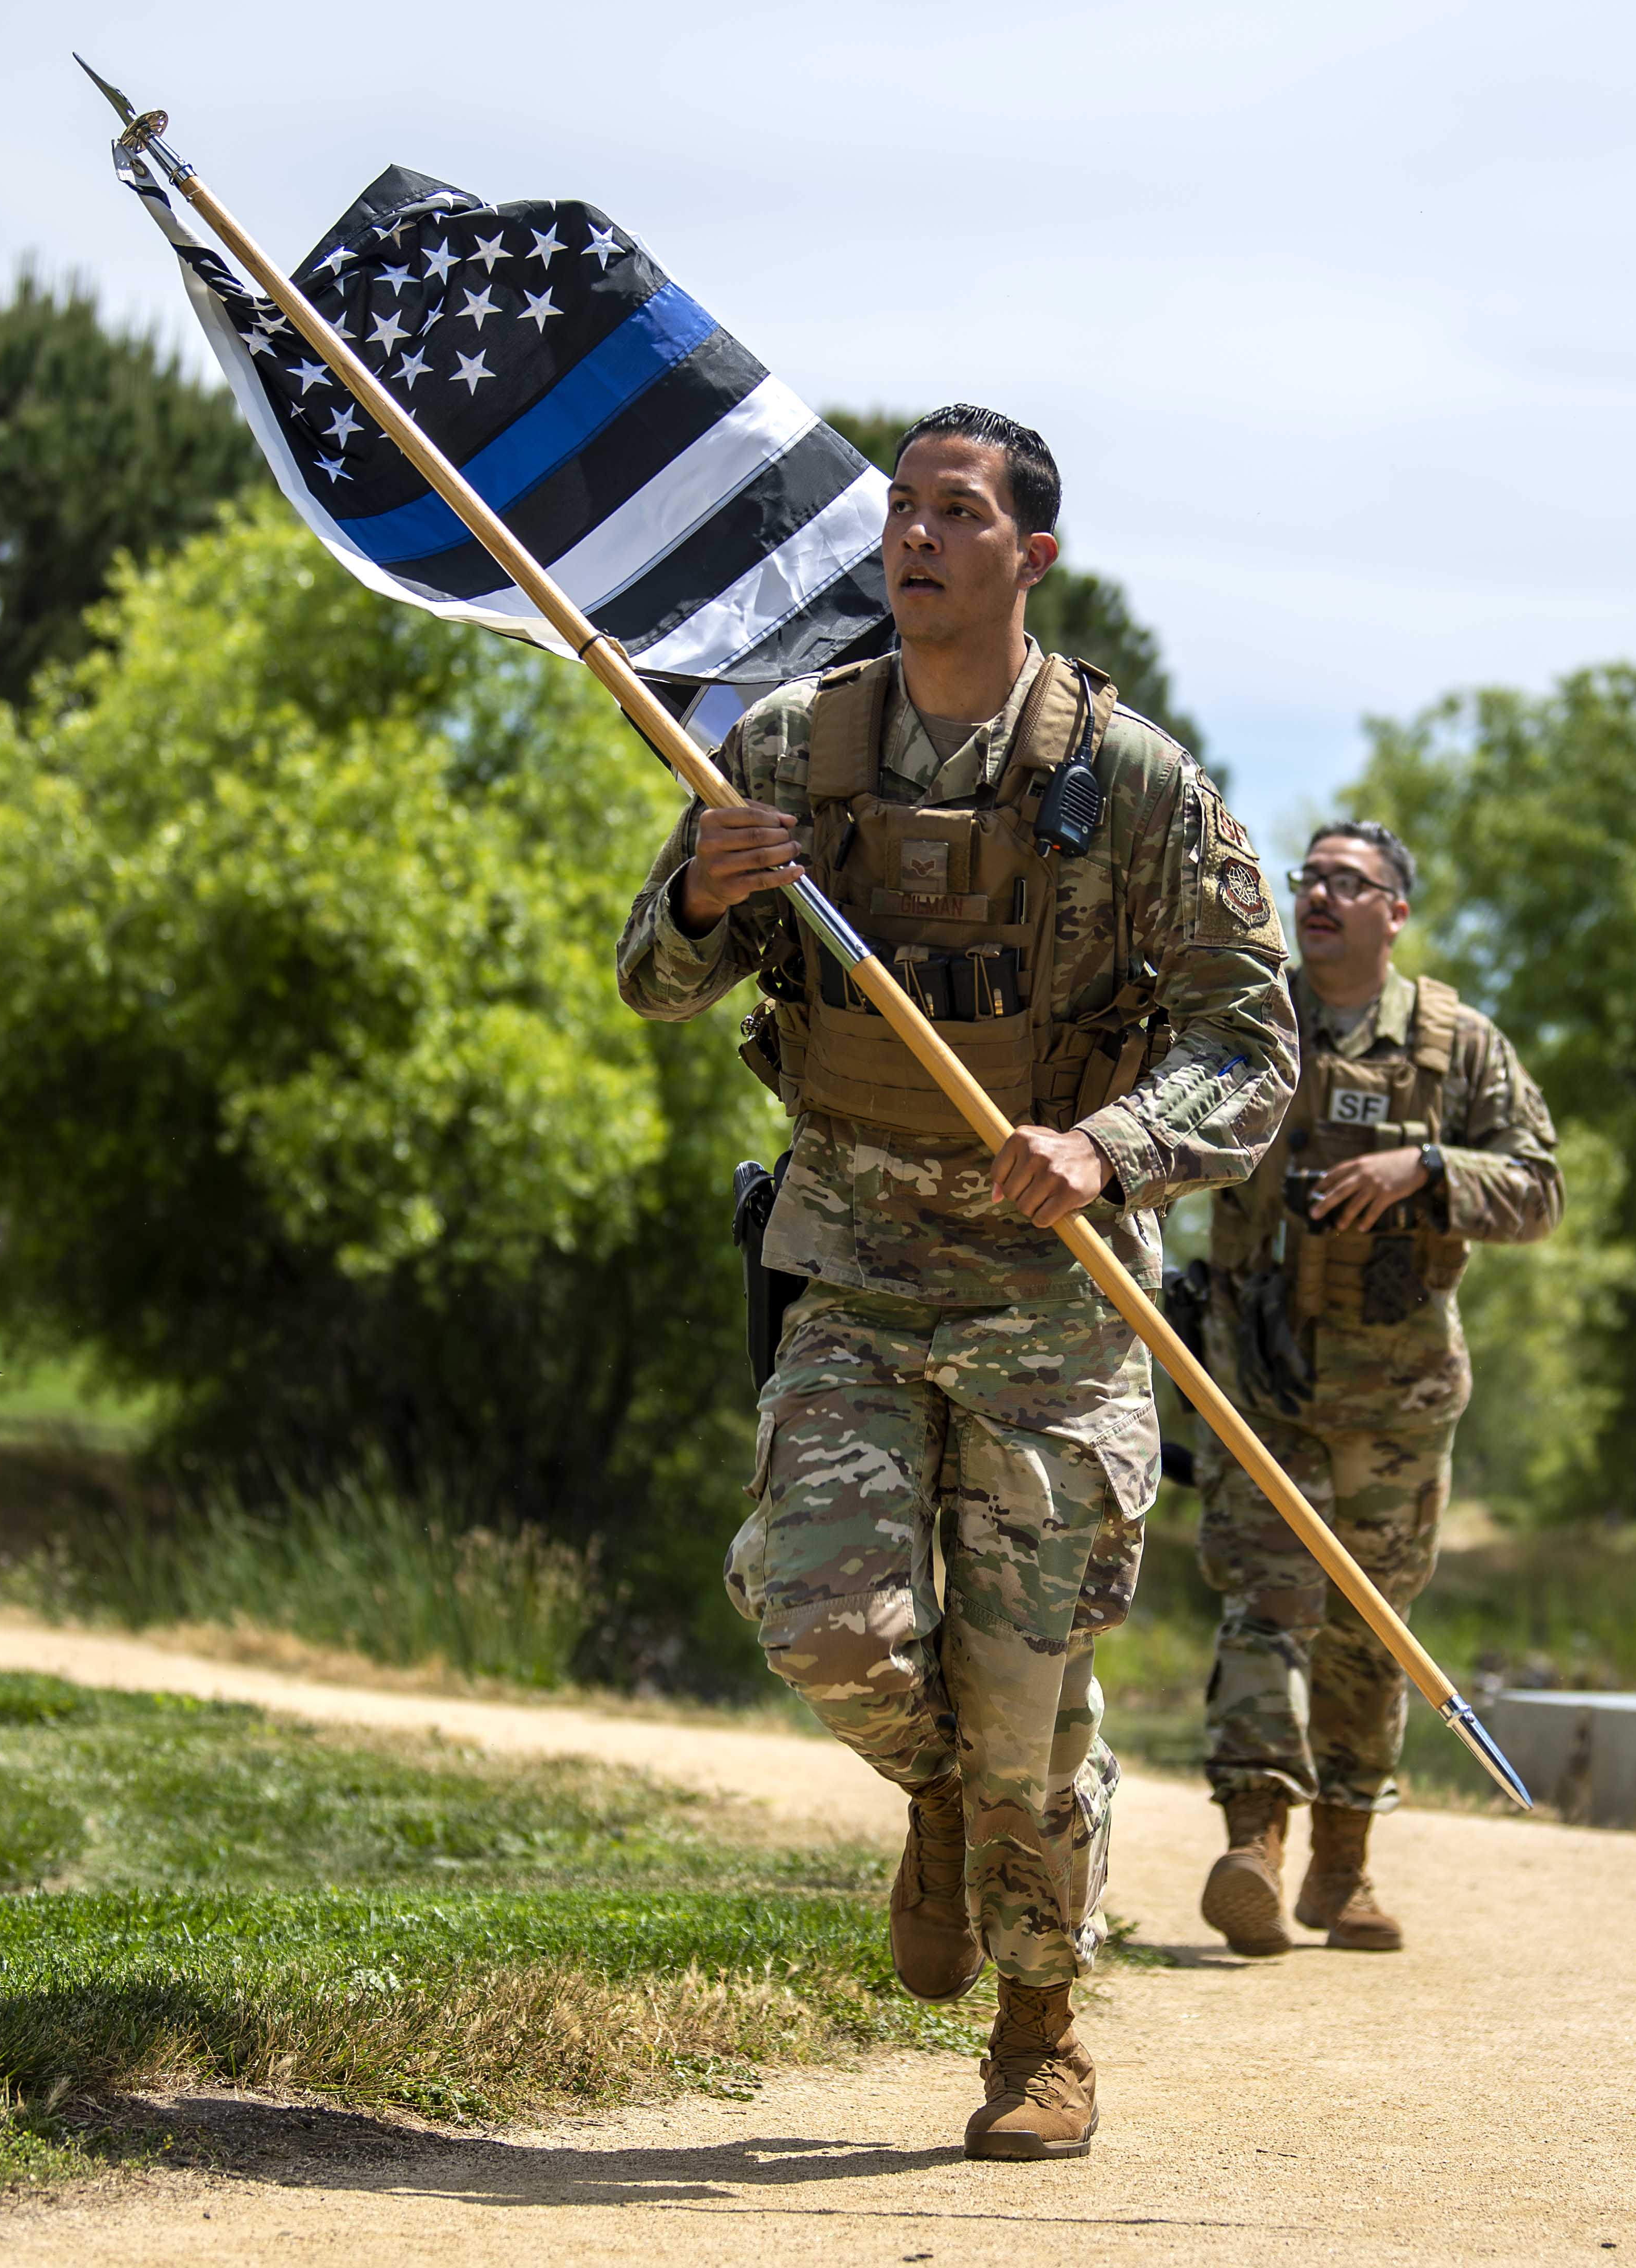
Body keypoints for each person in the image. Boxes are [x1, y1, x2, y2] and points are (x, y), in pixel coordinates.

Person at [616, 404, 1294, 2159]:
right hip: (844, 1264)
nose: (914, 536)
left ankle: (1037, 2030)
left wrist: (1111, 1146)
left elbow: (1248, 1045)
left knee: (1028, 1696)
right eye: (901, 509)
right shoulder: (782, 747)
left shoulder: (1132, 785)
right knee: (820, 1620)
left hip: (1052, 1299)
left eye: (957, 512)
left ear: (1029, 557)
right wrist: (697, 895)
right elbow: (652, 983)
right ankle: (935, 1798)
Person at [1194, 820, 1561, 1956]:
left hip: (1397, 1401)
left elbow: (1540, 1189)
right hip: (1261, 1377)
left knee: (1371, 1629)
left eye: (1344, 883)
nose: (1316, 897)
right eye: (1307, 879)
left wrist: (1430, 1167)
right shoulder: (1252, 1020)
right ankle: (1251, 1842)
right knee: (1264, 1603)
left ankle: (1340, 1870)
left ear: (1393, 909)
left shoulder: (1456, 1045)